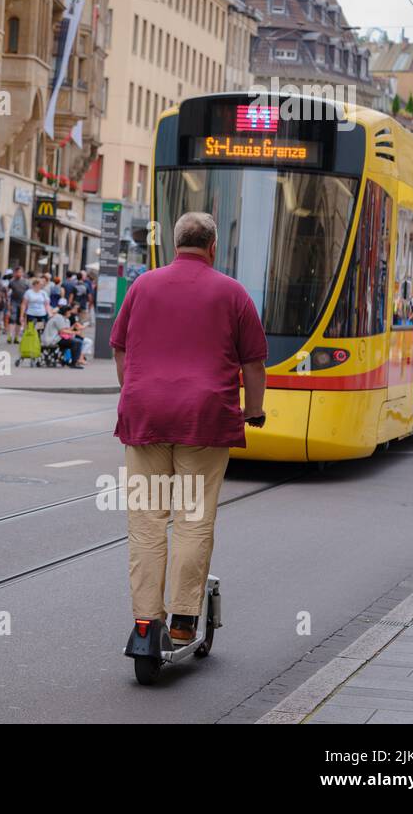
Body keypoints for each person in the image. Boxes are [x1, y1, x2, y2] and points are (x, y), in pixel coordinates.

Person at [110, 211, 267, 645]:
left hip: (144, 418)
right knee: (193, 520)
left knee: (146, 521)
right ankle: (182, 620)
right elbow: (253, 363)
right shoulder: (233, 293)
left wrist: (135, 392)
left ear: (175, 243)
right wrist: (254, 409)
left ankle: (146, 621)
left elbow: (120, 349)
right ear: (213, 246)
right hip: (204, 419)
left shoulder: (143, 285)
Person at [7, 266, 29, 342]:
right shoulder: (11, 281)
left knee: (19, 320)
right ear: (14, 273)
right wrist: (8, 304)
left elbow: (28, 293)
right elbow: (8, 293)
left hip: (22, 303)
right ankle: (10, 336)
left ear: (22, 273)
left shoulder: (26, 282)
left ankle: (16, 337)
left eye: (20, 272)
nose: (18, 274)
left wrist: (27, 304)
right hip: (14, 302)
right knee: (12, 319)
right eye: (17, 272)